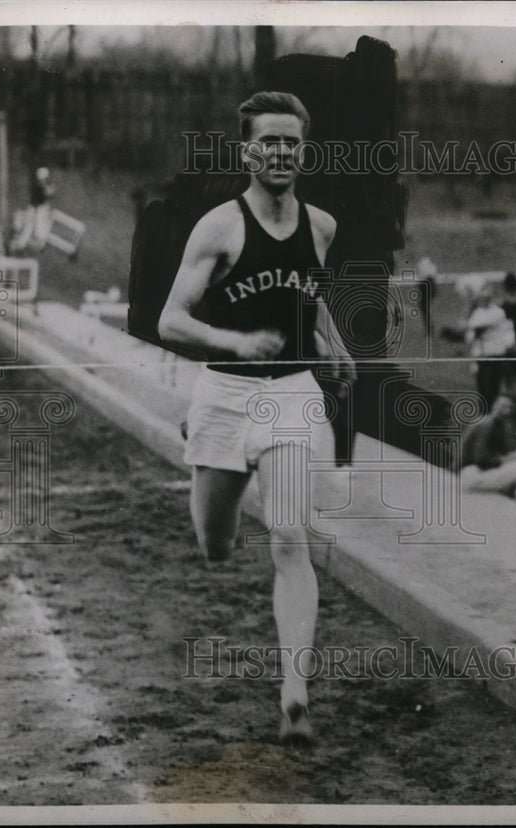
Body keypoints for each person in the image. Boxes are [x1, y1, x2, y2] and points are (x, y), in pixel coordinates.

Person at [158, 91, 354, 747]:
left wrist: (334, 346)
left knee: (289, 538)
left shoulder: (320, 225)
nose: (279, 152)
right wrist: (236, 344)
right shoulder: (220, 226)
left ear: (304, 149)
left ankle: (294, 692)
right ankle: (212, 455)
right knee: (215, 544)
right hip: (223, 394)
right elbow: (171, 318)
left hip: (291, 394)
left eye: (290, 142)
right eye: (267, 141)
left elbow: (309, 296)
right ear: (247, 150)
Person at [460, 393, 516, 506]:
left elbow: (503, 450)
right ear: (494, 405)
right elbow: (480, 458)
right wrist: (503, 460)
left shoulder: (498, 425)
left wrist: (508, 457)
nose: (503, 409)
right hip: (471, 475)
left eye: (507, 407)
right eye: (501, 405)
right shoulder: (486, 424)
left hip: (480, 471)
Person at [465, 285, 515, 409]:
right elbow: (470, 333)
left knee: (493, 386)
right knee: (482, 387)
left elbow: (480, 325)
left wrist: (476, 329)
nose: (484, 300)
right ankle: (485, 414)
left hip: (495, 353)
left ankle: (491, 413)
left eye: (487, 297)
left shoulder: (498, 312)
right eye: (483, 297)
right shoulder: (478, 312)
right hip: (482, 354)